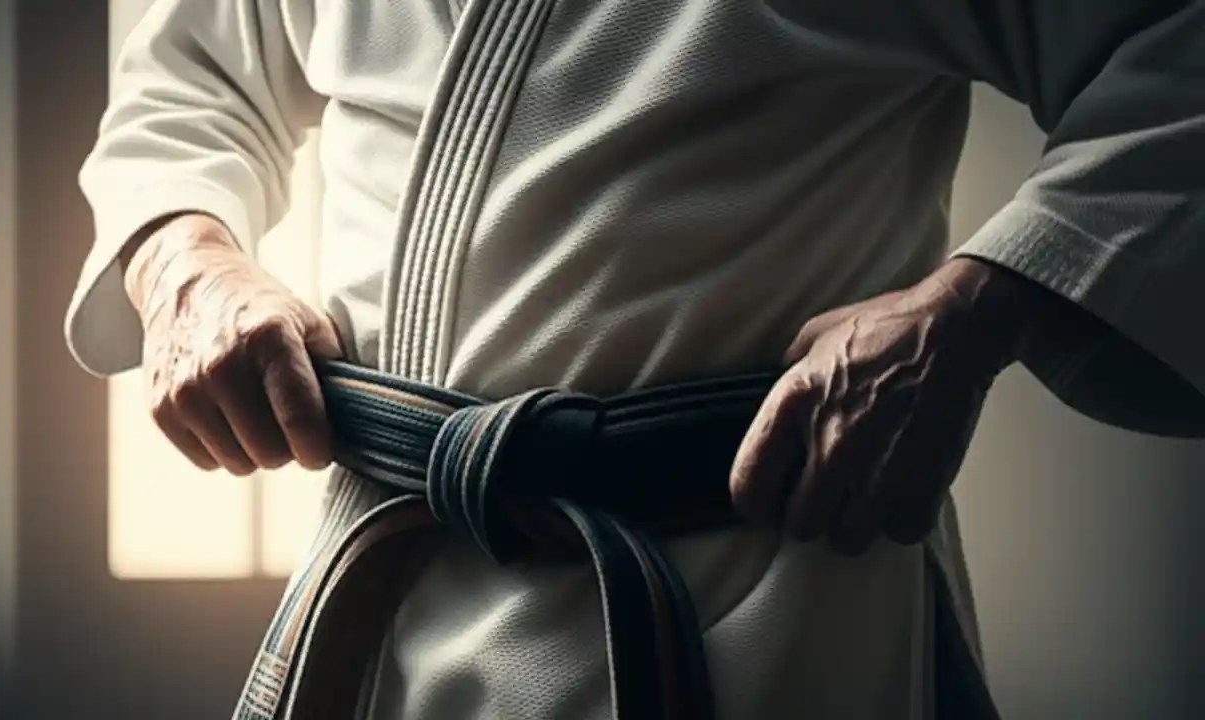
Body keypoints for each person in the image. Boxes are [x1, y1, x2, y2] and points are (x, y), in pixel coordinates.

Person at [66, 1, 1205, 718]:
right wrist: (187, 264)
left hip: (751, 594)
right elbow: (190, 77)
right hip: (387, 573)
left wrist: (973, 311)